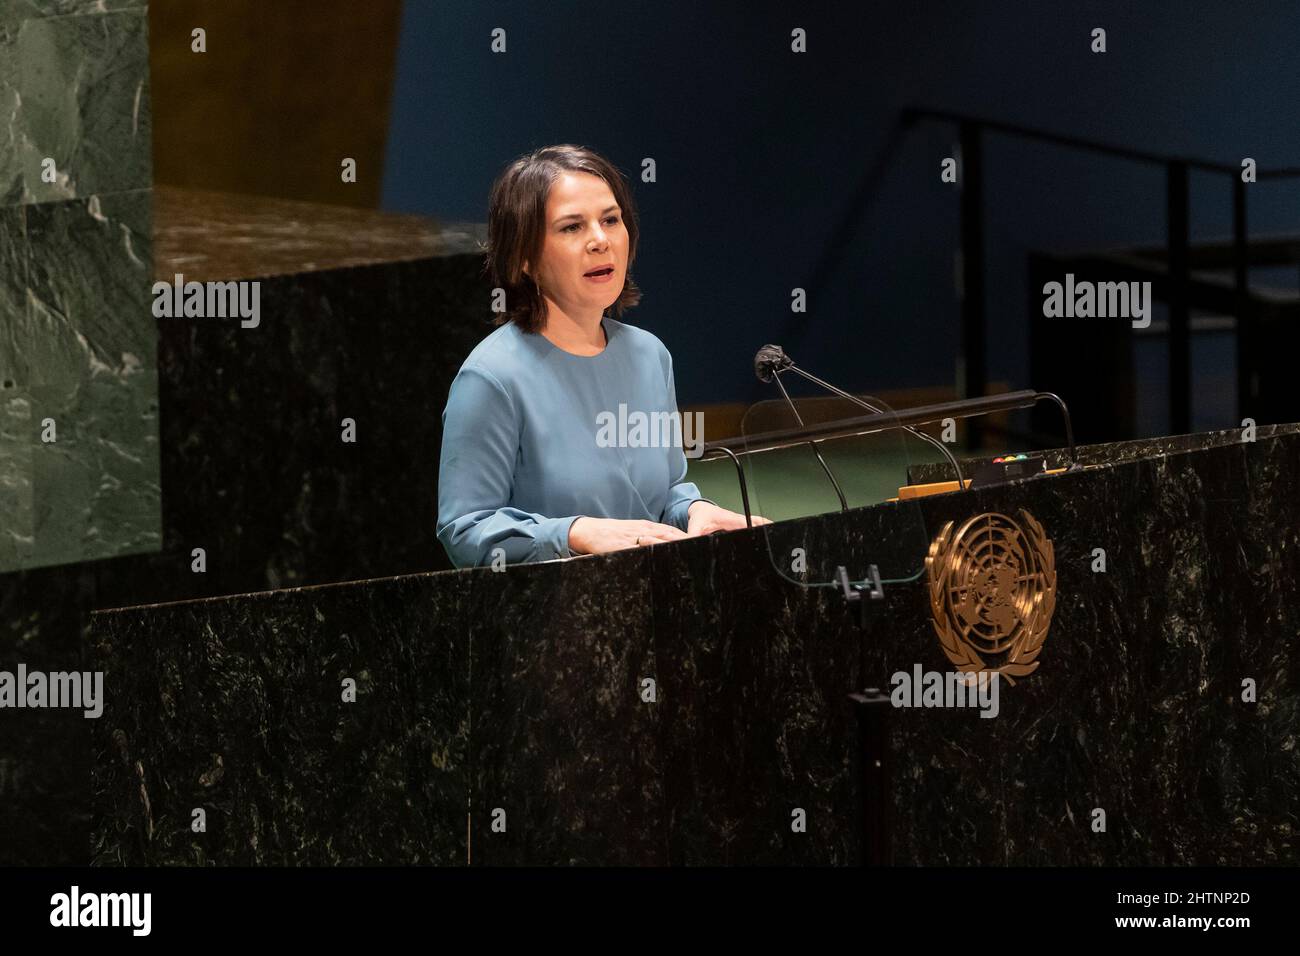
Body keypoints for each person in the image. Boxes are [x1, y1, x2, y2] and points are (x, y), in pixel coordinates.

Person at [436, 144, 769, 568]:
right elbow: (465, 530)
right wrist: (574, 533)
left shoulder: (649, 355)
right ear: (522, 258)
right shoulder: (491, 378)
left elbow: (664, 492)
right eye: (572, 227)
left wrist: (694, 511)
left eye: (611, 220)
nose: (600, 240)